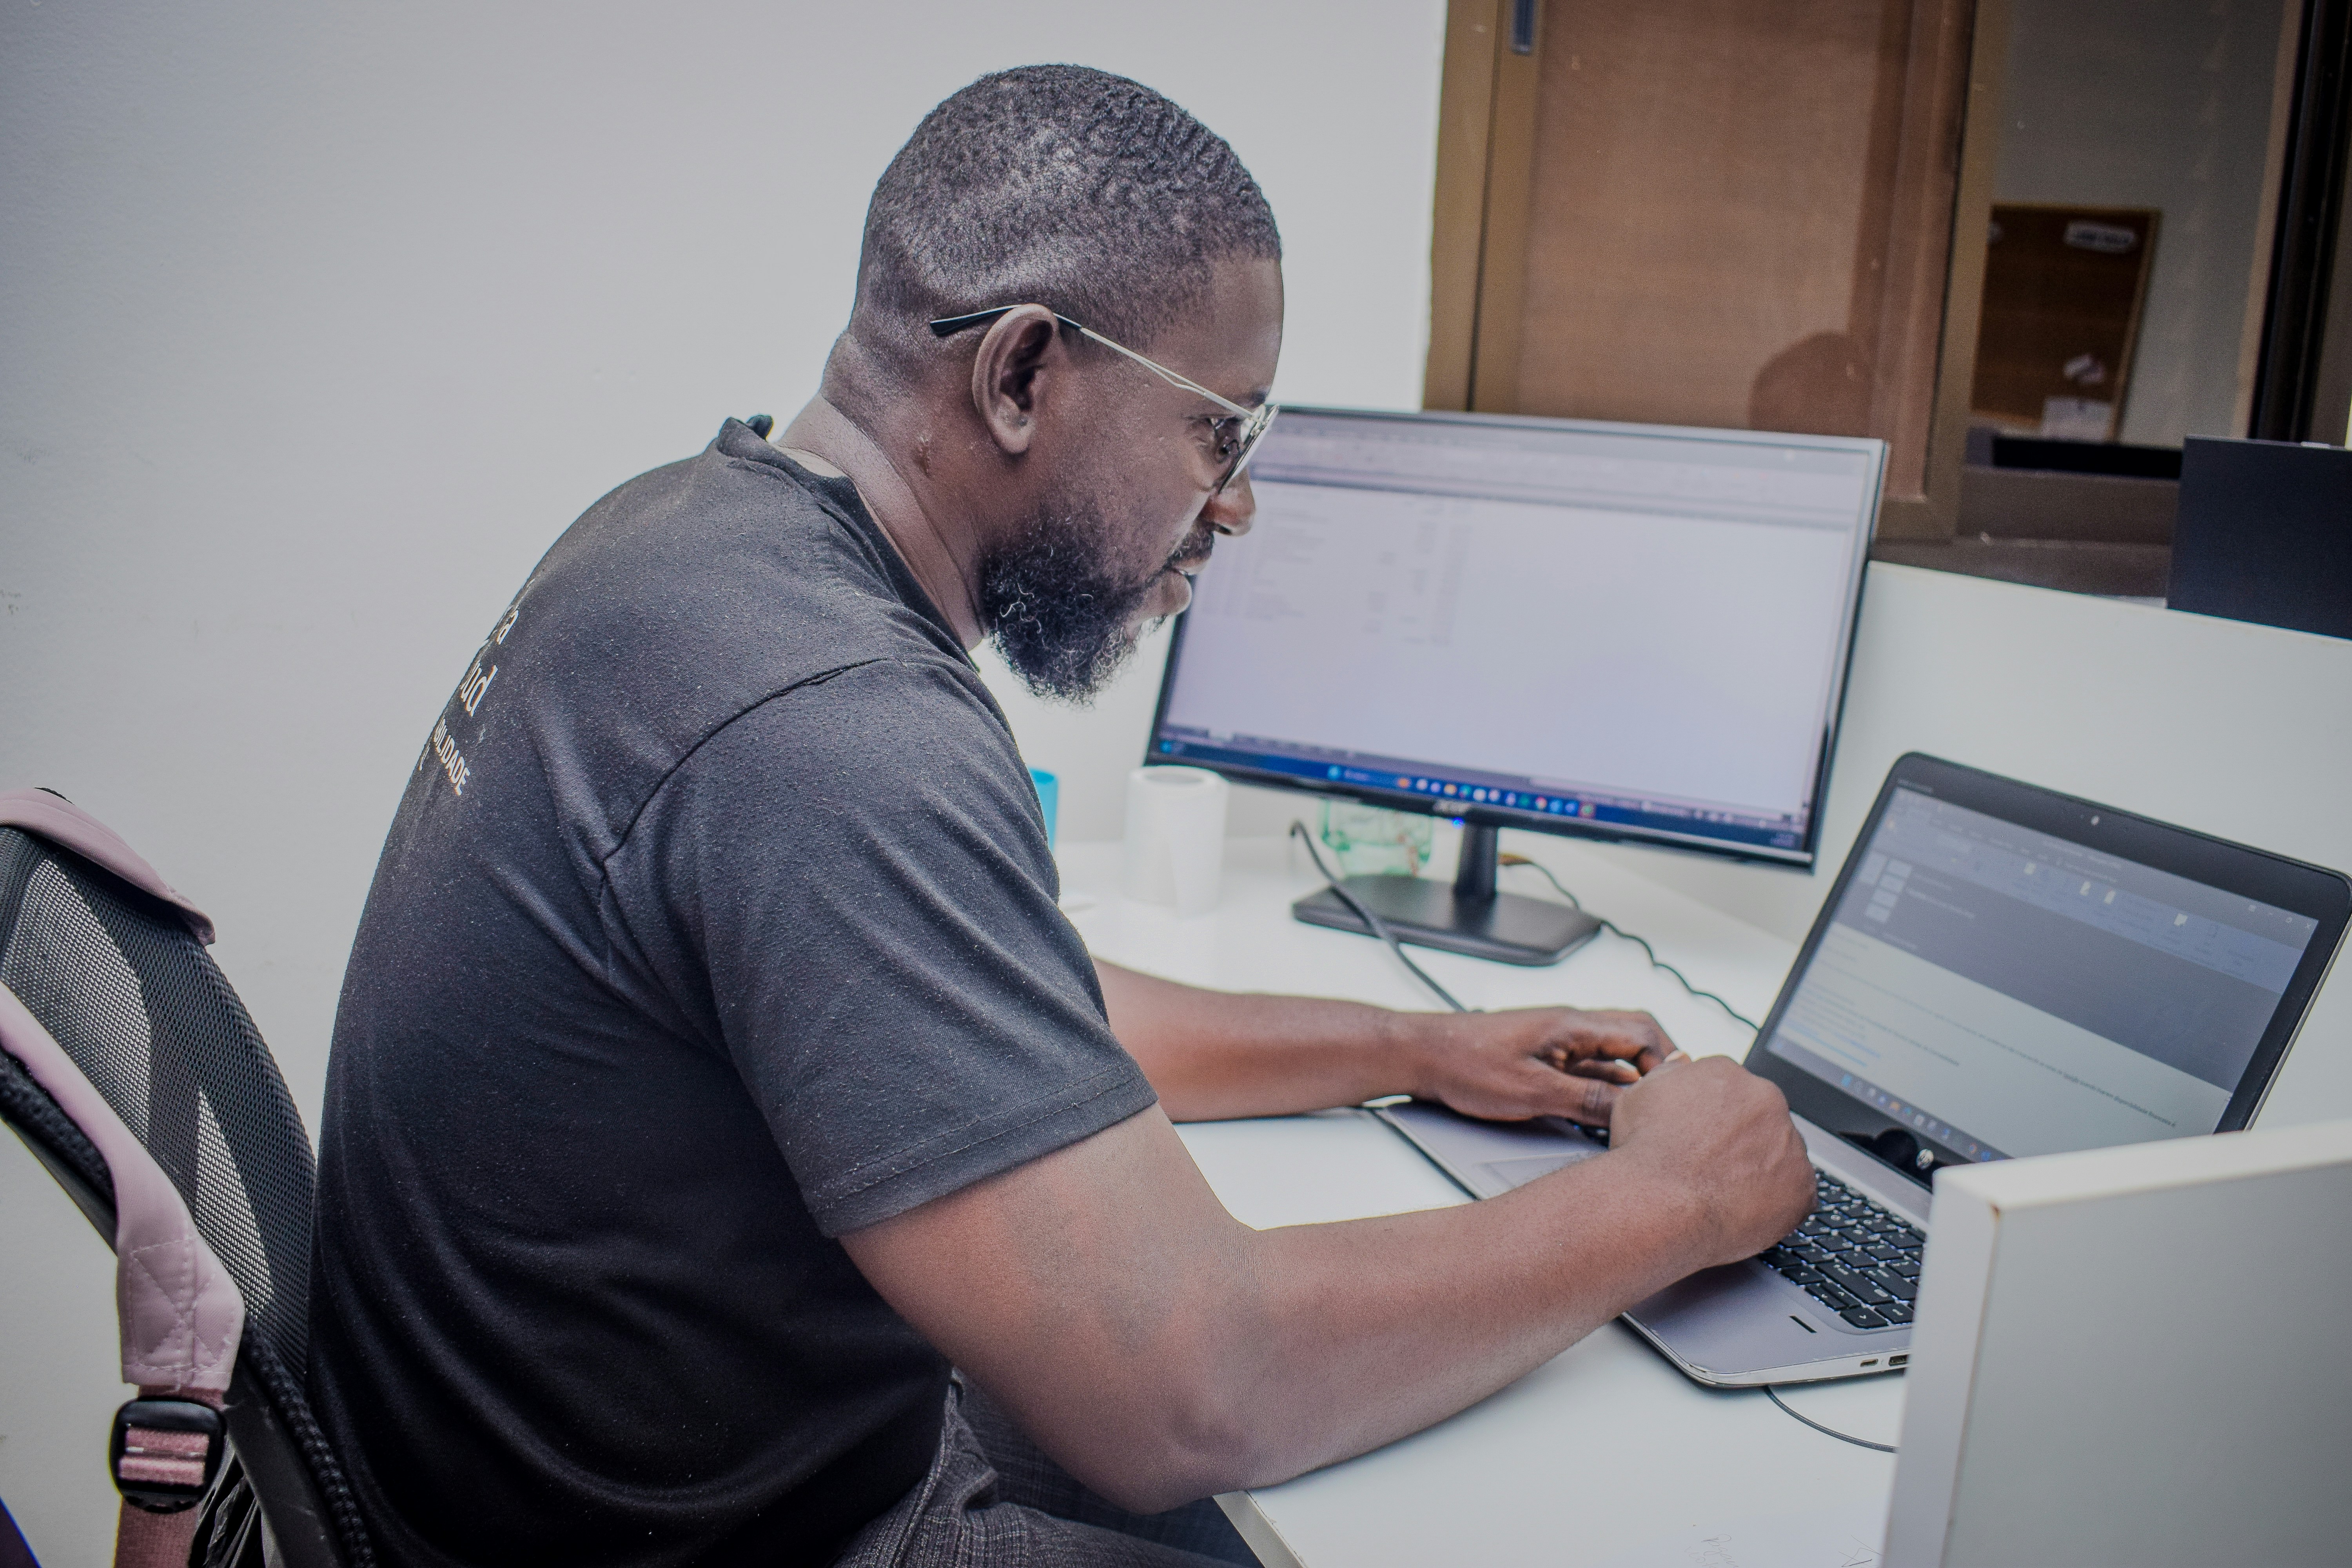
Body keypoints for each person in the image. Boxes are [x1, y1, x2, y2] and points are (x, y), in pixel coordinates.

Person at [308, 64, 1814, 1568]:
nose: (1237, 508)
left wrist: (1419, 1050)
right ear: (1023, 374)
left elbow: (985, 1016)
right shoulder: (832, 726)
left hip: (550, 1483)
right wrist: (1675, 1196)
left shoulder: (686, 538)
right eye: (1223, 432)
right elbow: (1203, 1388)